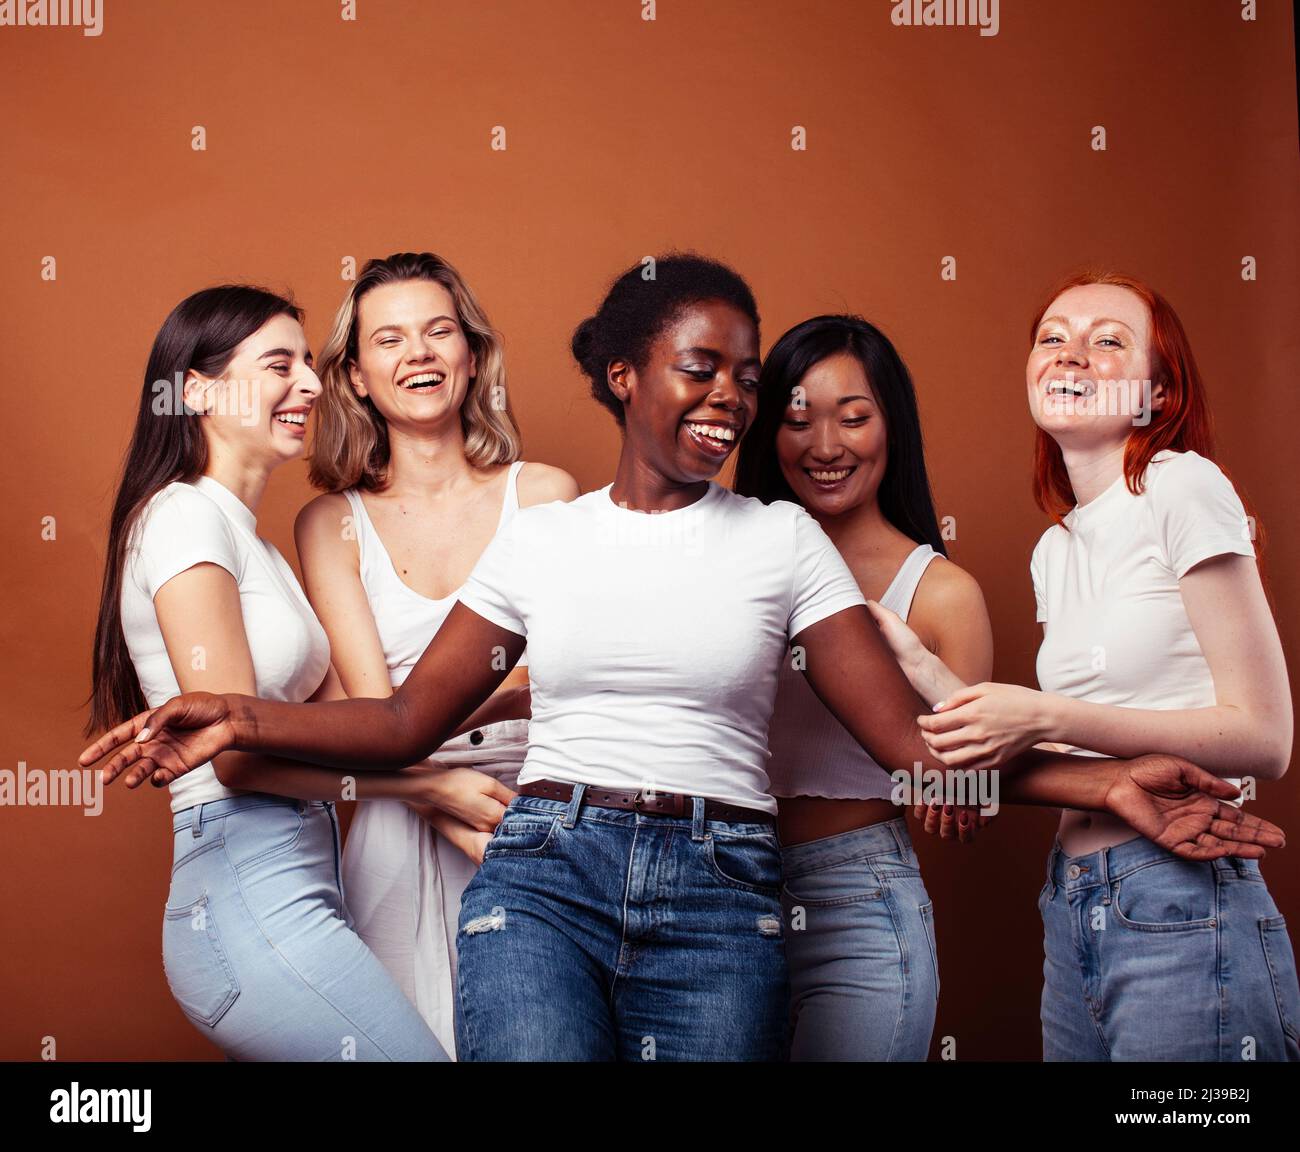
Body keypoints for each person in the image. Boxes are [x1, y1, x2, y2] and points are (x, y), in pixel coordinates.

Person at [82, 257, 1285, 1063]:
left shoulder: (781, 545)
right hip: (542, 878)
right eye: (698, 367)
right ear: (623, 377)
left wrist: (1101, 781)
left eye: (745, 377)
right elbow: (404, 727)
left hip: (721, 895)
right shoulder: (541, 541)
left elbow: (910, 761)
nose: (728, 399)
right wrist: (237, 717)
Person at [871, 271, 1299, 1061]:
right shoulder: (1055, 548)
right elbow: (1053, 745)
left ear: (1157, 395)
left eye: (1109, 341)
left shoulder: (1183, 485)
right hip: (1074, 899)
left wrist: (1047, 714)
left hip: (1179, 897)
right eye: (1052, 337)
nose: (1071, 353)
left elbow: (1265, 736)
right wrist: (916, 668)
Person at [85, 286, 448, 1060]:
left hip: (299, 885)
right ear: (197, 389)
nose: (312, 385)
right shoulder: (183, 518)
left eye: (308, 365)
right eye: (278, 364)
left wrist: (505, 688)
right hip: (249, 896)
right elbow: (239, 751)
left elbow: (359, 722)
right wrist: (431, 788)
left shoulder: (262, 550)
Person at [295, 251, 577, 1055]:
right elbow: (371, 713)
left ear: (472, 354)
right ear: (354, 377)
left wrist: (441, 746)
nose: (416, 353)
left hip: (530, 815)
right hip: (399, 818)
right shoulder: (329, 523)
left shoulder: (547, 496)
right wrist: (436, 788)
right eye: (388, 340)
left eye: (438, 331)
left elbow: (564, 674)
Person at [734, 314, 994, 1060]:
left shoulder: (941, 593)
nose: (825, 447)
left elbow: (973, 787)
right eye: (797, 420)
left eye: (854, 418)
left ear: (893, 427)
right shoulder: (731, 557)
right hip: (721, 889)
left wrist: (955, 793)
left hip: (857, 899)